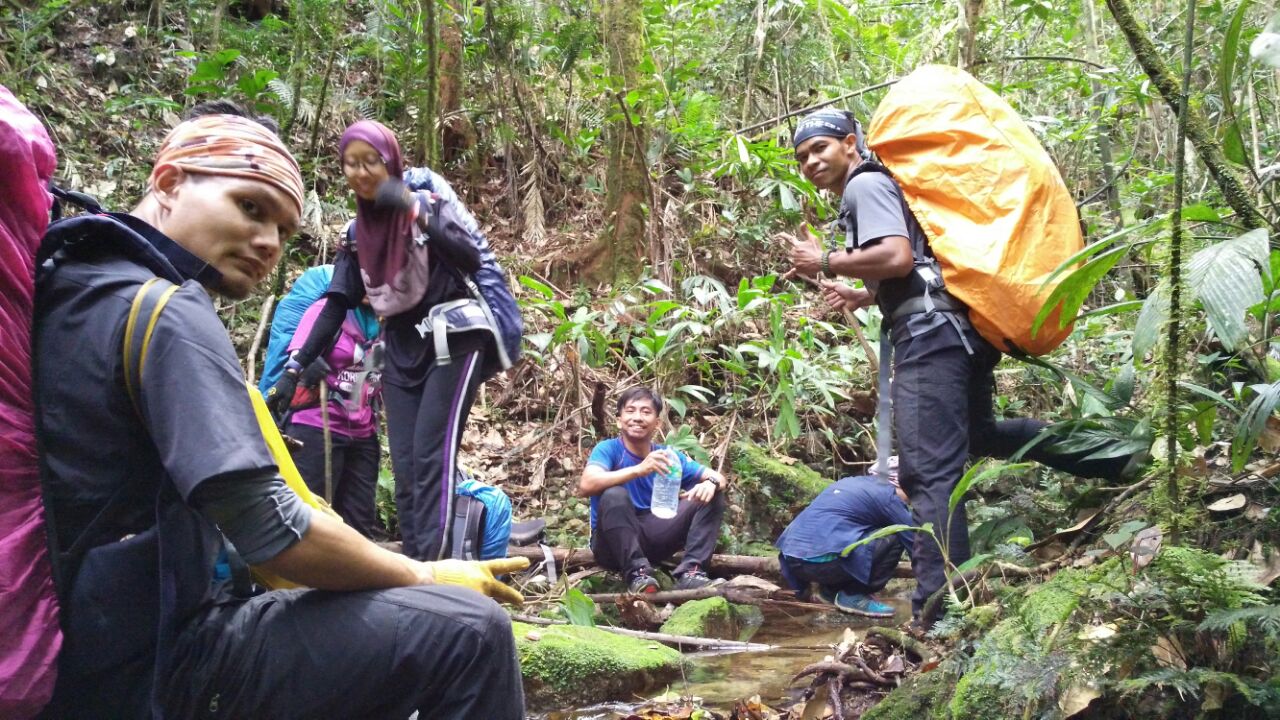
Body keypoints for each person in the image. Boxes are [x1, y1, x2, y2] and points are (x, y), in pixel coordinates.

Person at [33, 102, 527, 718]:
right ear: (168, 183)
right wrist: (427, 577)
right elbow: (274, 535)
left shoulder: (65, 279)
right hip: (163, 662)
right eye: (250, 207)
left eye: (285, 230)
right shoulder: (166, 312)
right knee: (471, 630)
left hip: (73, 645)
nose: (267, 242)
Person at [786, 108, 1144, 625]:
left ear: (849, 143)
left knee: (927, 474)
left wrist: (824, 262)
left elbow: (896, 257)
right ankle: (1117, 456)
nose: (811, 161)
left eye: (819, 149)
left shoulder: (864, 185)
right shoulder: (882, 185)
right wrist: (860, 295)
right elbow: (908, 268)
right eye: (802, 157)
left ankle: (940, 613)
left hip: (930, 341)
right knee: (979, 435)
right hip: (959, 332)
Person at [270, 120, 507, 562]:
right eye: (350, 164)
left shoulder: (424, 205)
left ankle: (435, 569)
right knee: (405, 465)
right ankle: (419, 566)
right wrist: (293, 368)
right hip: (401, 349)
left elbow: (468, 254)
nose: (360, 173)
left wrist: (415, 208)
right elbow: (336, 303)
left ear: (391, 162)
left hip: (453, 339)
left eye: (371, 162)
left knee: (431, 459)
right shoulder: (357, 235)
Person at [578, 387, 728, 593]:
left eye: (646, 412)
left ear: (657, 423)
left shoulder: (668, 456)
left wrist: (710, 482)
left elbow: (719, 478)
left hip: (654, 537)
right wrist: (639, 469)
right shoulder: (608, 449)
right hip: (610, 545)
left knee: (713, 493)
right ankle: (637, 574)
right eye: (630, 411)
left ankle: (692, 573)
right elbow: (586, 485)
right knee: (614, 494)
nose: (637, 417)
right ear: (619, 420)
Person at [281, 290, 383, 538]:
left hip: (364, 429)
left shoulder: (389, 322)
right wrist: (305, 362)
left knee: (359, 521)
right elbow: (298, 354)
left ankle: (356, 575)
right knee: (311, 515)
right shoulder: (327, 311)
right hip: (317, 424)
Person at [776, 468, 913, 618]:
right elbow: (915, 541)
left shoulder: (847, 483)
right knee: (895, 534)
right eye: (910, 494)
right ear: (898, 483)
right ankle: (854, 594)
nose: (909, 502)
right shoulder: (888, 495)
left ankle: (830, 591)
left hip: (792, 561)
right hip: (823, 565)